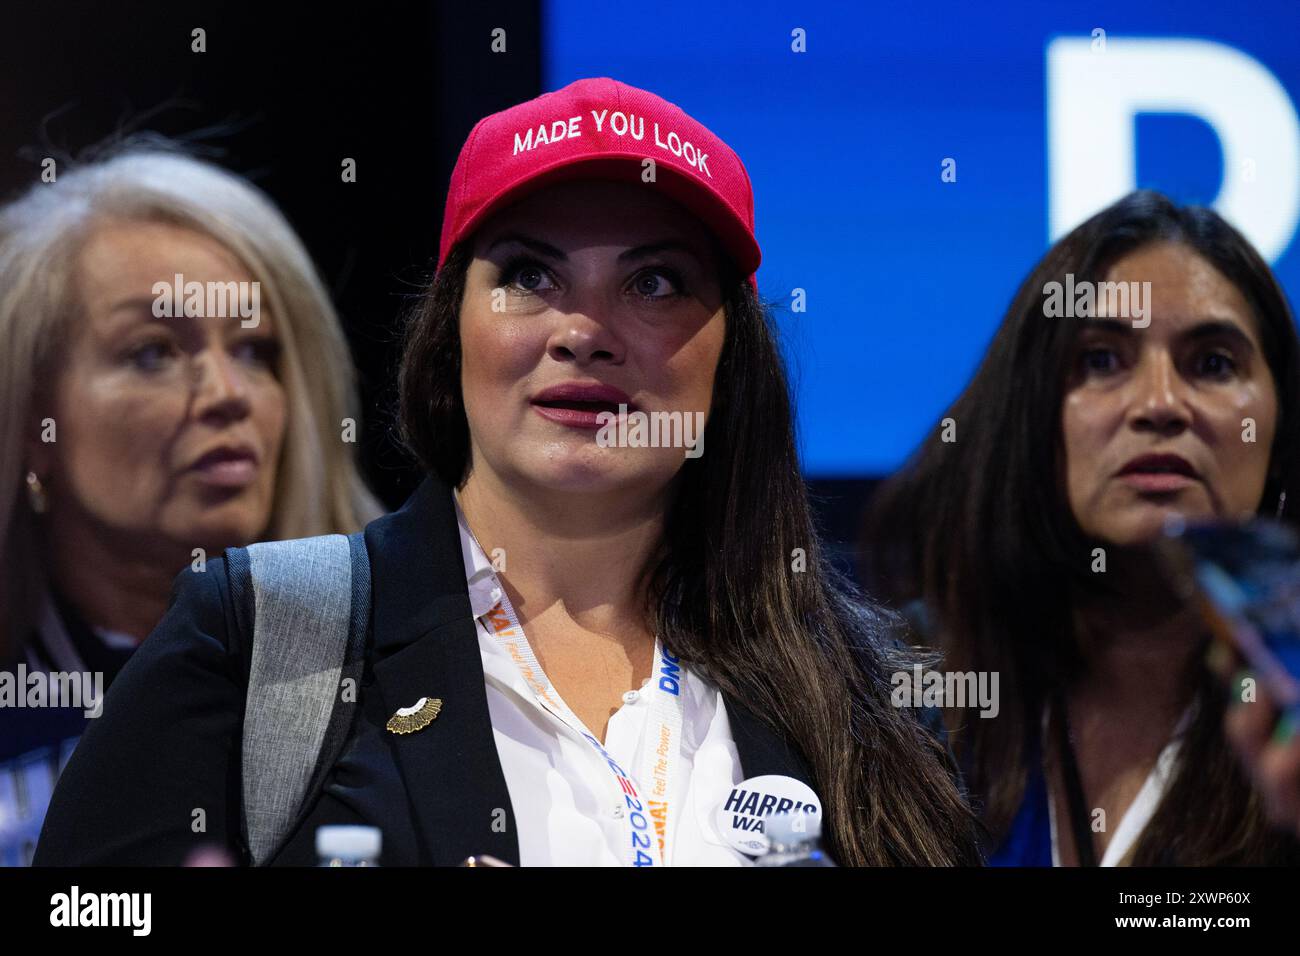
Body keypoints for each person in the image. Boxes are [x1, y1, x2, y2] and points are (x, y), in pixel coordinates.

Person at [35, 78, 981, 867]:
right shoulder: (256, 640)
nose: (582, 332)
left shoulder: (859, 692)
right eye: (529, 276)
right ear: (451, 335)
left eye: (654, 283)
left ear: (731, 361)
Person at [865, 190, 1300, 866]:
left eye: (1213, 363)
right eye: (1101, 360)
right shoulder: (899, 694)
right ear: (1032, 415)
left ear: (1280, 431)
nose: (1159, 404)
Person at [0, 144, 382, 866]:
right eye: (153, 352)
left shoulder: (407, 667)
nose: (228, 394)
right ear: (32, 421)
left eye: (255, 351)